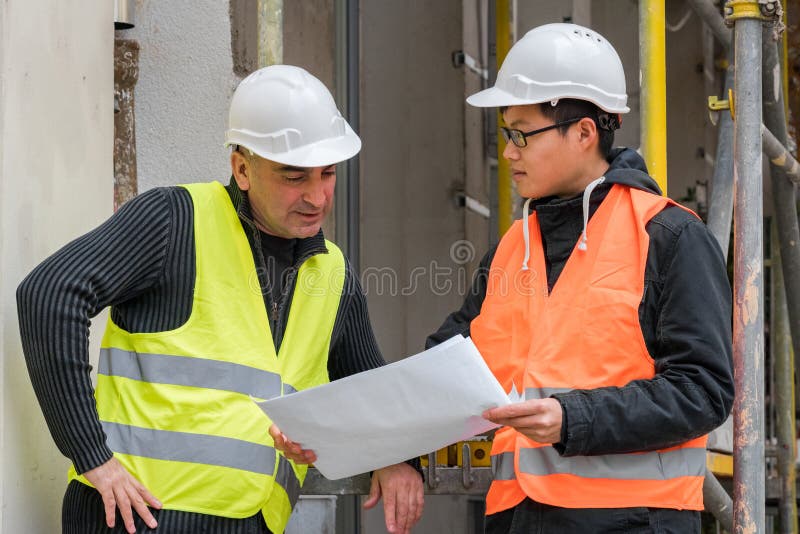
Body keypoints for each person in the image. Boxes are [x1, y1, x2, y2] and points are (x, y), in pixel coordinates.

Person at [17, 65, 423, 534]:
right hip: (137, 517)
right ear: (242, 169)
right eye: (294, 177)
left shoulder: (332, 272)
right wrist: (91, 456)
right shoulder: (174, 221)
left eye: (328, 173)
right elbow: (49, 295)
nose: (317, 196)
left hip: (250, 523)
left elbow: (367, 391)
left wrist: (395, 459)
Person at [426, 23, 734, 533]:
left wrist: (572, 418)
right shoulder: (512, 249)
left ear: (585, 132)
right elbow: (442, 369)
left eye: (521, 134)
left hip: (634, 524)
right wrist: (365, 441)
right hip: (518, 521)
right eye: (506, 134)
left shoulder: (669, 236)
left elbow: (703, 391)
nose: (508, 153)